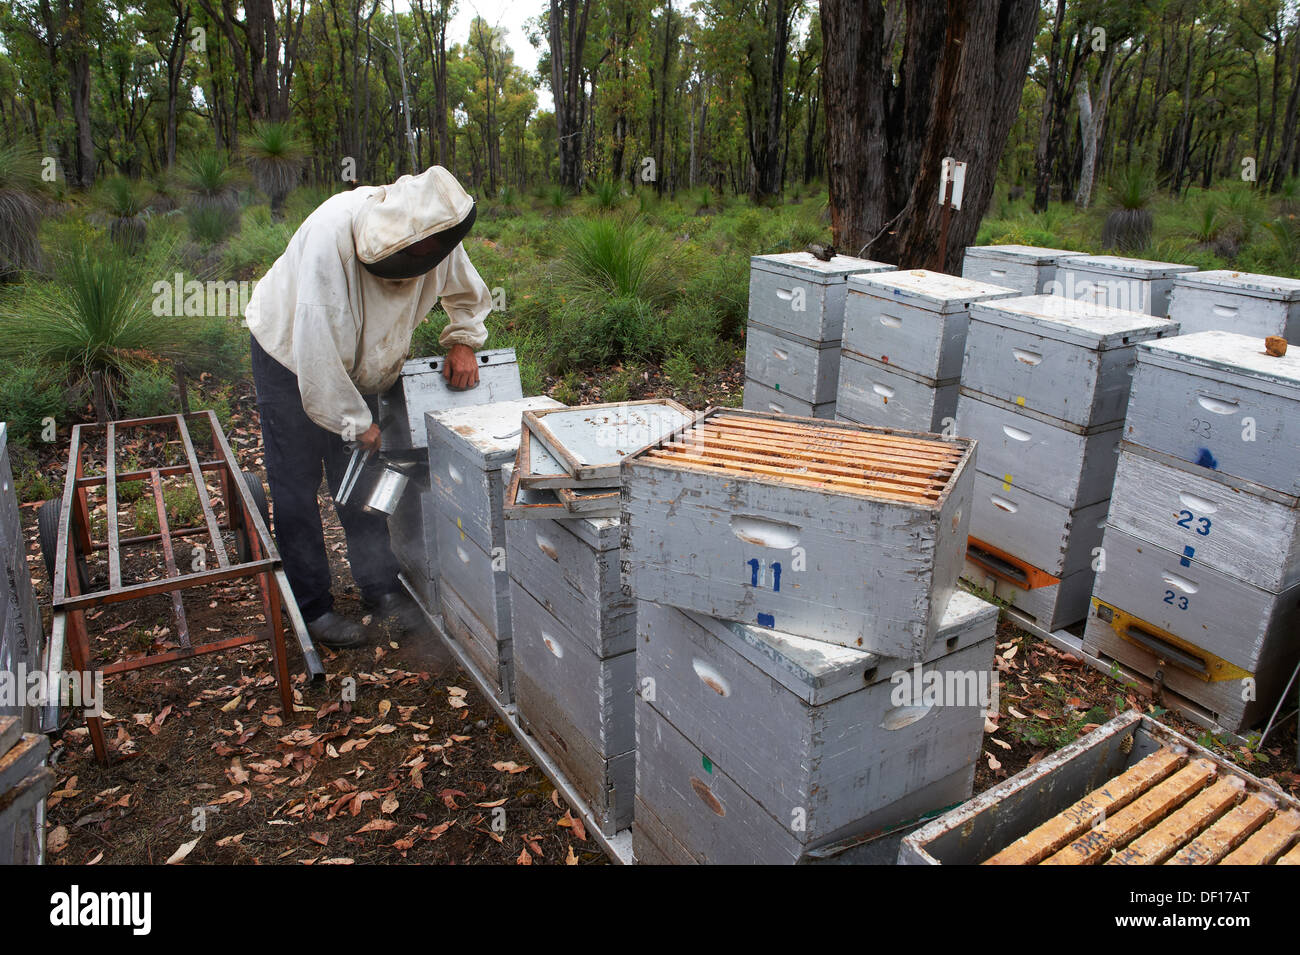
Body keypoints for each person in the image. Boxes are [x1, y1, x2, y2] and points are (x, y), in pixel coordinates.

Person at [243, 166, 491, 648]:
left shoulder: (432, 231)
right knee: (296, 487)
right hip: (289, 355)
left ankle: (380, 586)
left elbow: (469, 294)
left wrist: (462, 339)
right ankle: (313, 608)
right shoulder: (329, 239)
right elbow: (315, 355)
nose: (423, 263)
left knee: (361, 478)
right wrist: (355, 422)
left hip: (358, 363)